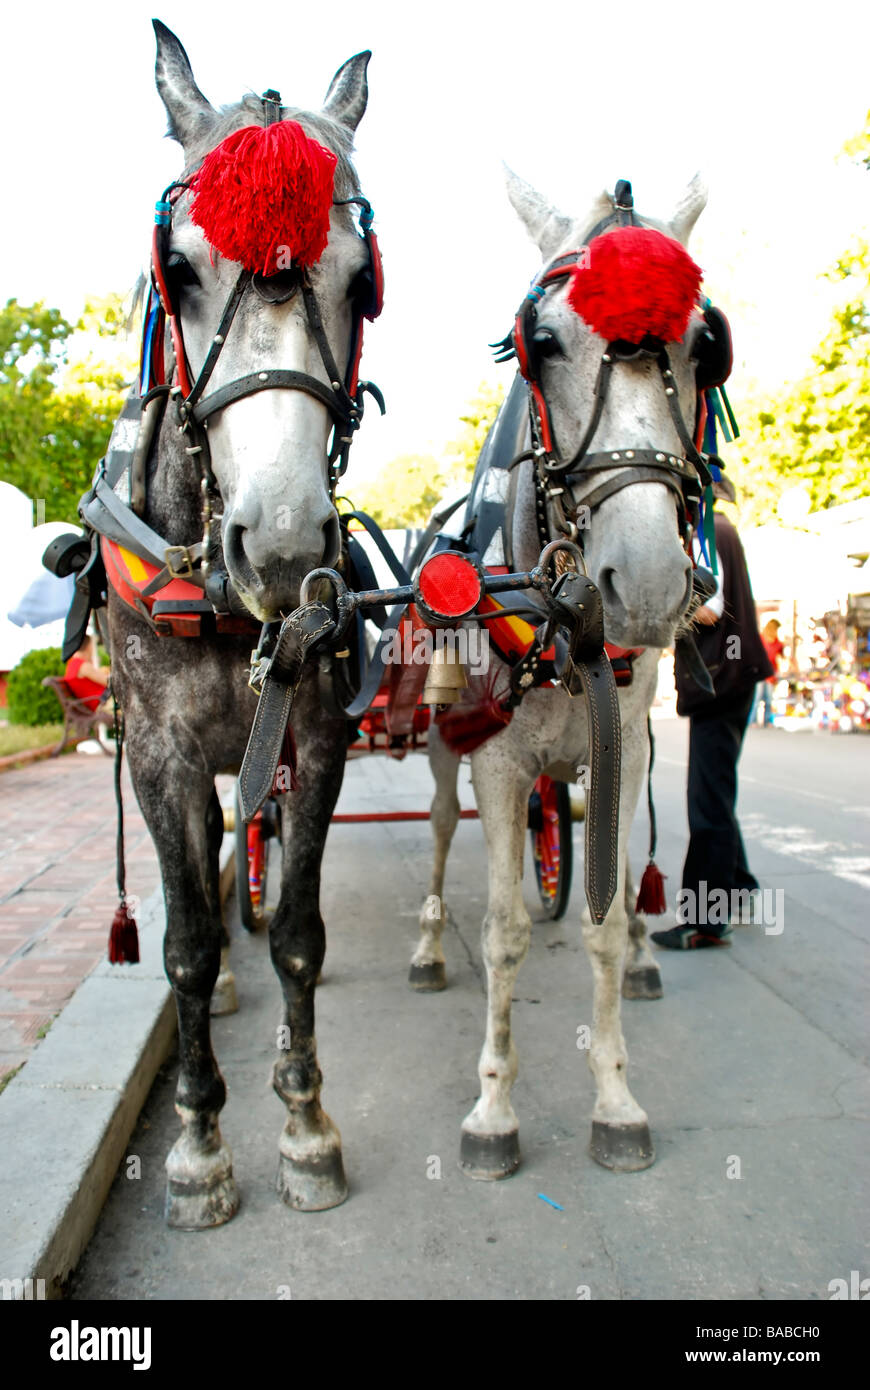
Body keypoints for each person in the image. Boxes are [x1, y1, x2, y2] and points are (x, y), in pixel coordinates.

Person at [652, 481, 773, 950]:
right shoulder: (722, 529)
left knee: (706, 801)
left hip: (721, 680)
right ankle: (738, 882)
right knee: (717, 790)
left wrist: (663, 605)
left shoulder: (705, 535)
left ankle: (706, 918)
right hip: (733, 677)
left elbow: (708, 610)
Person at [64, 632, 111, 713]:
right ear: (88, 647)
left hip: (100, 702)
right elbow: (109, 682)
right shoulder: (82, 666)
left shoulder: (73, 664)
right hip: (104, 704)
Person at [757, 618, 785, 726]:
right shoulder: (761, 639)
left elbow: (781, 657)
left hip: (771, 672)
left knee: (768, 698)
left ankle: (767, 720)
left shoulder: (778, 642)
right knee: (758, 697)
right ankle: (753, 720)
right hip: (760, 670)